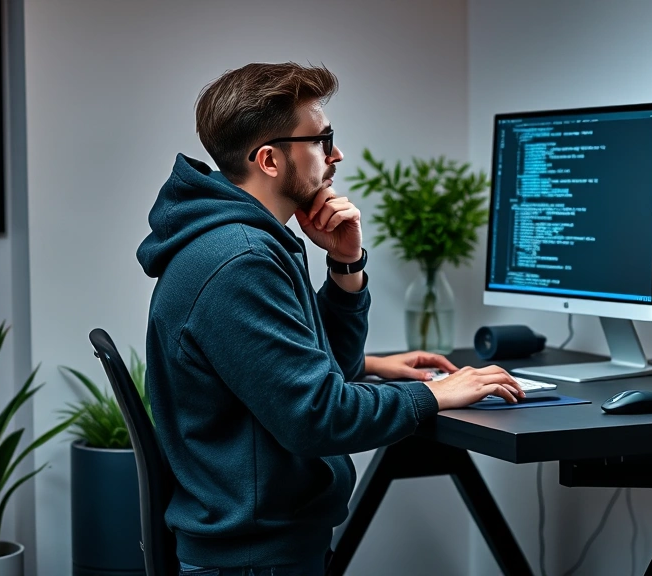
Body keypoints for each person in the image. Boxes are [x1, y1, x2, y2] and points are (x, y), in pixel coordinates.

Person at [136, 62, 524, 576]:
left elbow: (322, 373)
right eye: (322, 140)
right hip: (256, 561)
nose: (336, 154)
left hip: (258, 549)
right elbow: (318, 416)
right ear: (270, 160)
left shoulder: (244, 241)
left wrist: (345, 268)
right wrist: (436, 394)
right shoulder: (239, 260)